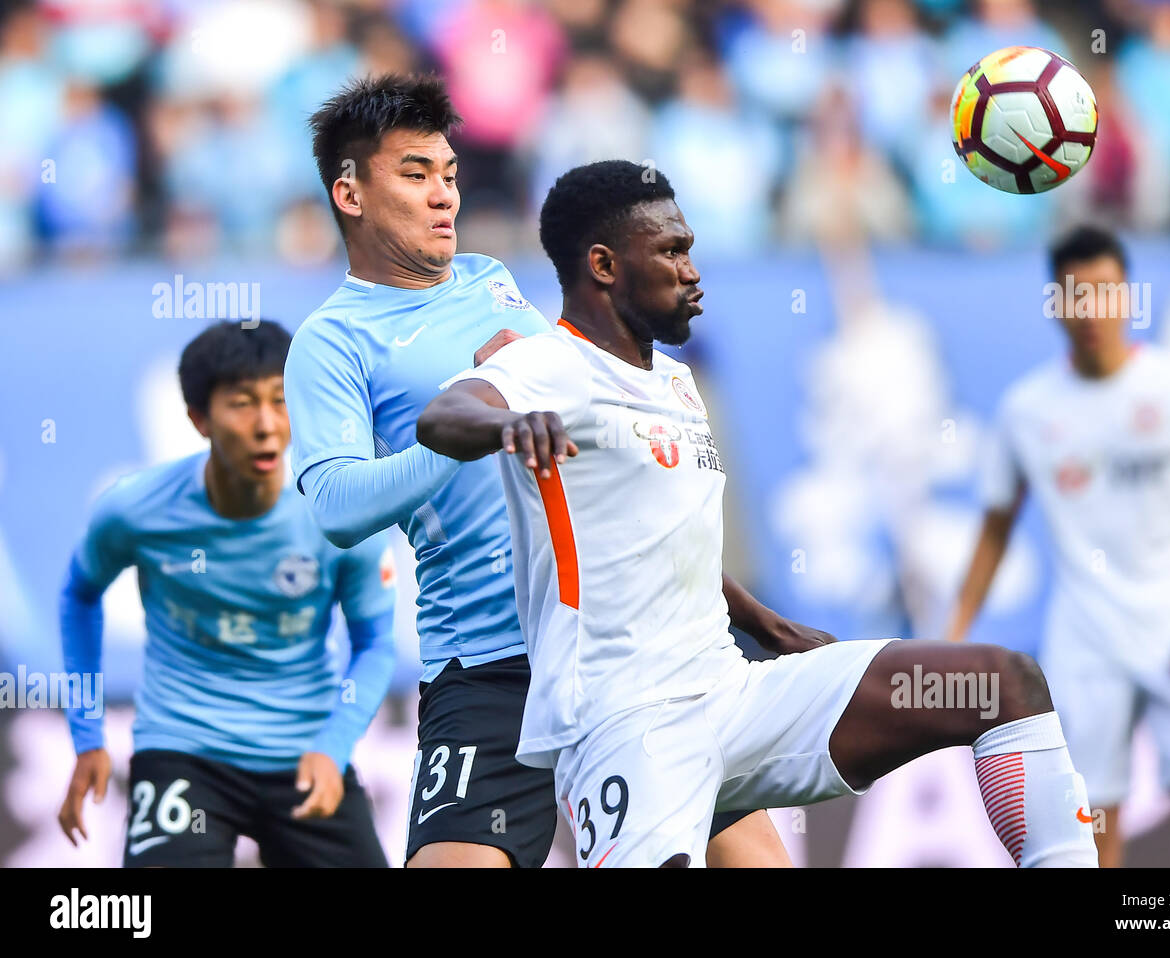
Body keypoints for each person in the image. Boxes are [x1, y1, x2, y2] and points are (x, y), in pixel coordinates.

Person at [417, 159, 1100, 868]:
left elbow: (667, 543)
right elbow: (446, 413)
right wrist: (507, 425)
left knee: (999, 683)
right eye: (673, 252)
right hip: (623, 723)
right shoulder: (553, 364)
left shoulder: (676, 382)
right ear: (604, 265)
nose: (693, 271)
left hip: (733, 689)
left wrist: (765, 621)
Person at [284, 74, 799, 868]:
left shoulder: (493, 281)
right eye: (415, 175)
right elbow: (338, 506)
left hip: (627, 644)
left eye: (450, 175)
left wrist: (744, 608)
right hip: (492, 664)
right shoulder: (333, 340)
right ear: (350, 194)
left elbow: (610, 470)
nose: (443, 196)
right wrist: (471, 435)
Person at [945, 225, 1170, 867]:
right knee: (1089, 844)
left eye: (1105, 294)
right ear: (1054, 304)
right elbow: (994, 532)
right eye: (1075, 296)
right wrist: (950, 636)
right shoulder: (1027, 411)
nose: (1091, 312)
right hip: (1086, 644)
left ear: (1128, 298)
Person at [58, 320, 395, 867]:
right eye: (243, 404)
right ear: (198, 419)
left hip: (305, 754)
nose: (267, 425)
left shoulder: (342, 512)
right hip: (184, 751)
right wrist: (87, 734)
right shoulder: (136, 510)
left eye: (281, 401)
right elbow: (79, 594)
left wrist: (334, 747)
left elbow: (376, 642)